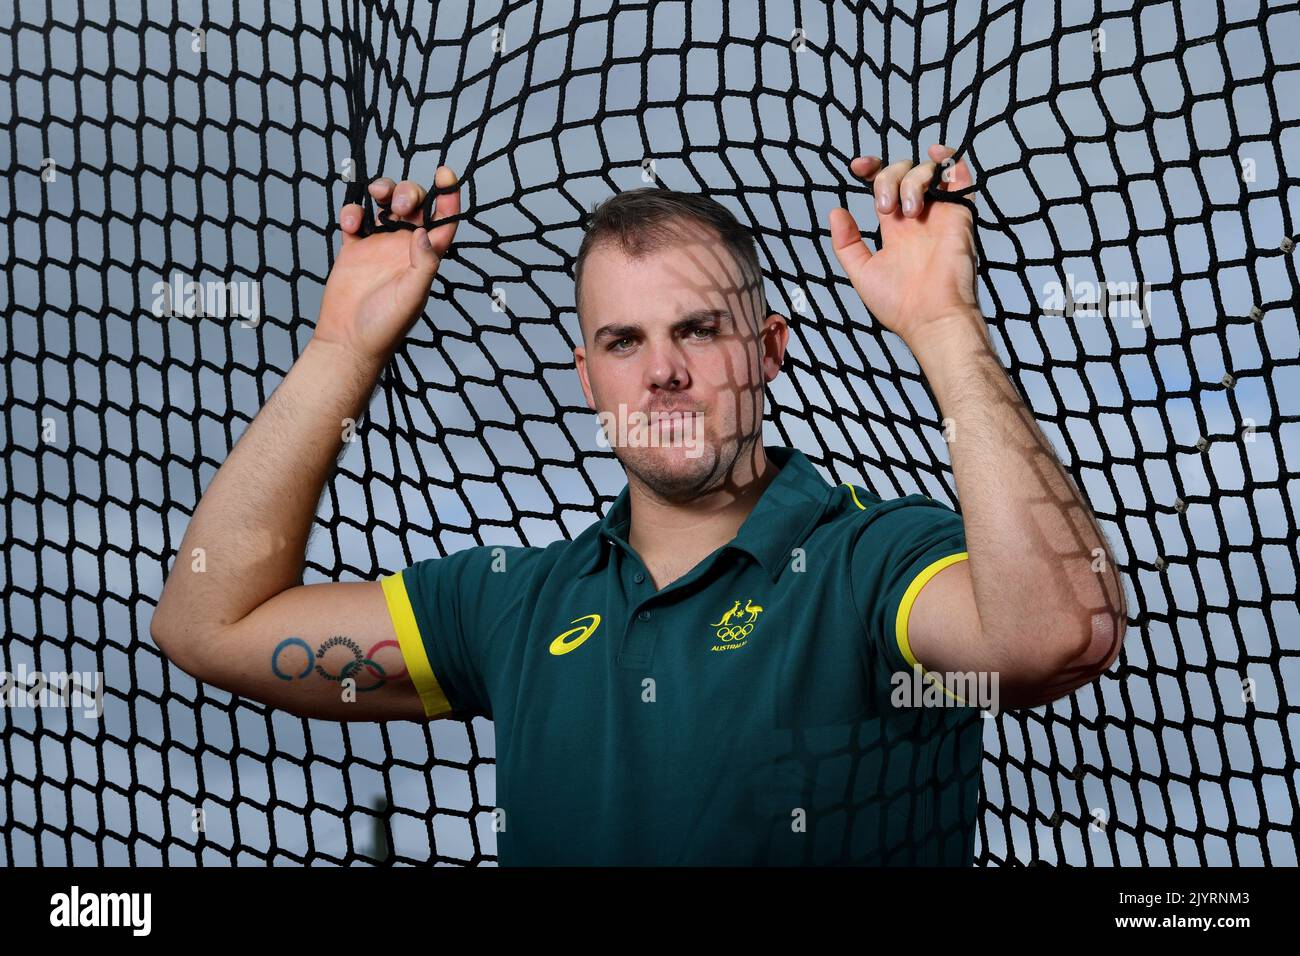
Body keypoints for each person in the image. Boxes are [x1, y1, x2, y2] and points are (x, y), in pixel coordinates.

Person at [151, 146, 1127, 864]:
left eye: (697, 330)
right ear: (587, 377)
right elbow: (208, 621)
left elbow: (1058, 634)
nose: (661, 372)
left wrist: (947, 327)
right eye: (622, 342)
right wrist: (340, 348)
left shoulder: (872, 564)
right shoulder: (513, 604)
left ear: (769, 348)